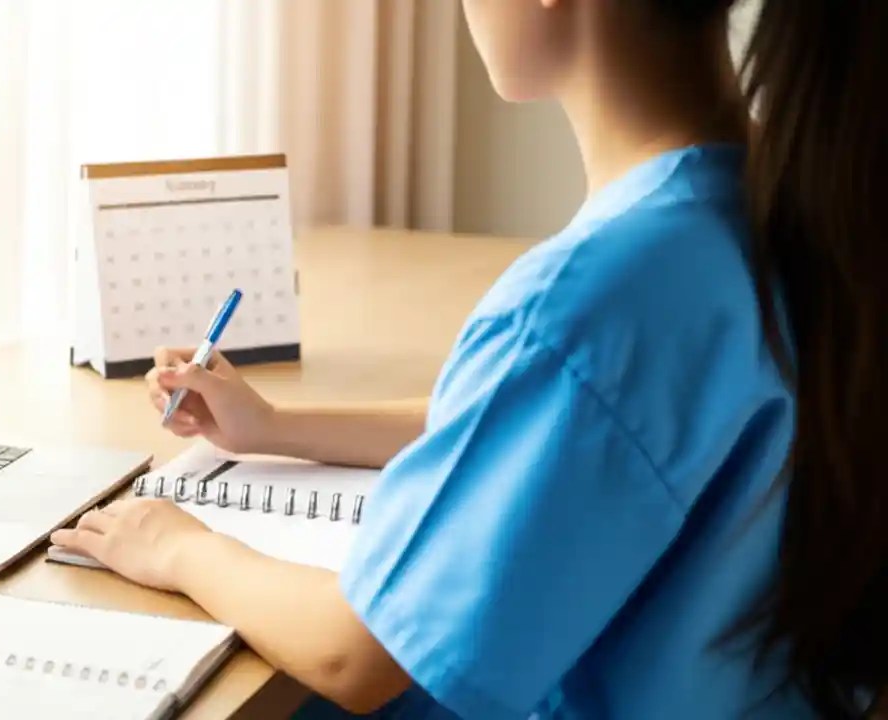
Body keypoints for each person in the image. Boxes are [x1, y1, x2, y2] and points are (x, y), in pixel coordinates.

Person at [51, 0, 888, 717]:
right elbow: (539, 421)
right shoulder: (778, 208)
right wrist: (276, 425)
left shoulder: (597, 289)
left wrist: (179, 547)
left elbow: (356, 655)